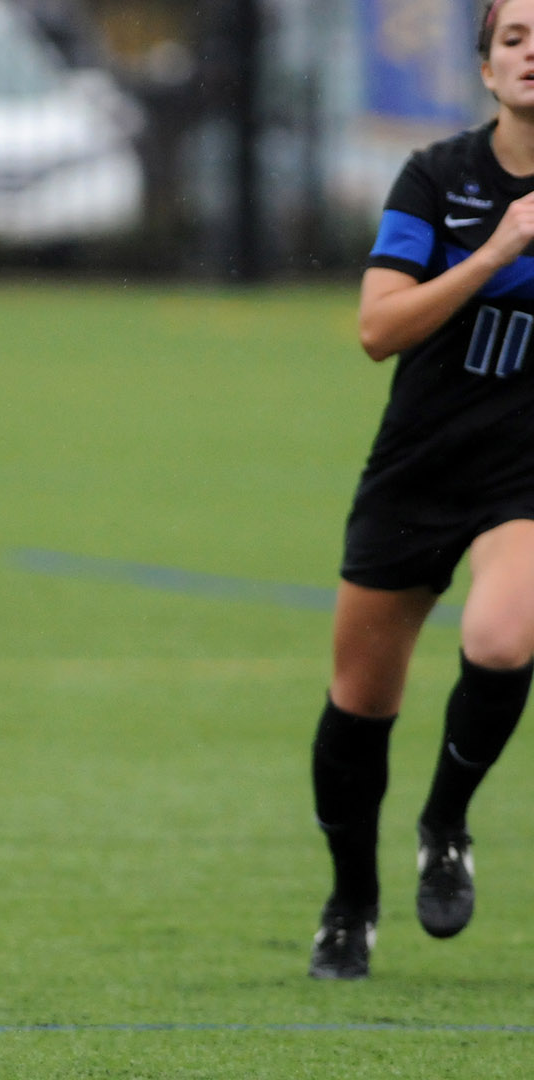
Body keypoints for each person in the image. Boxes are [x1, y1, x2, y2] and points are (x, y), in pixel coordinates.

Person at [308, 0, 534, 980]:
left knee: (504, 637)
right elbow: (378, 329)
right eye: (515, 38)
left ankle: (446, 822)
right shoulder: (439, 178)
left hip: (524, 475)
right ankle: (351, 901)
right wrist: (495, 253)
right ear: (485, 68)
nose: (532, 53)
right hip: (421, 465)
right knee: (361, 703)